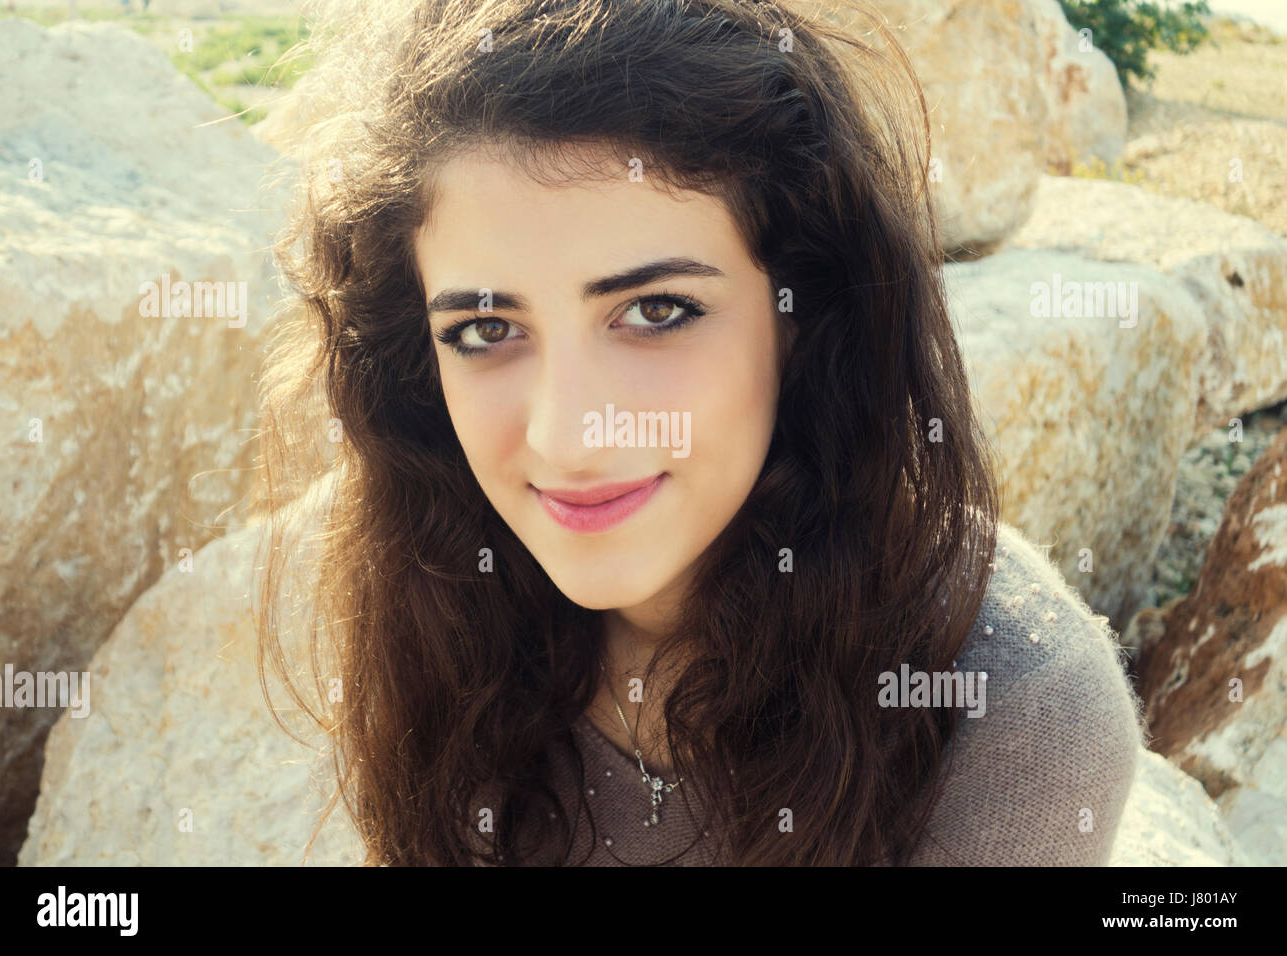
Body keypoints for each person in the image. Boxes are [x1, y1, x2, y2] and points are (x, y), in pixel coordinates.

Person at [255, 0, 1146, 866]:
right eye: (485, 331)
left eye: (656, 310)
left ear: (803, 316)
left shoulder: (1014, 713)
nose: (568, 438)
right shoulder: (444, 590)